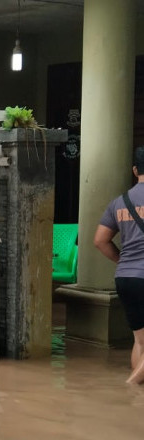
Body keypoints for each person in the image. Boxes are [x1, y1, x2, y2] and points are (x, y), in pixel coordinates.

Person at [94, 146, 144, 384]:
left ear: (135, 170)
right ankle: (131, 386)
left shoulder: (119, 202)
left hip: (126, 278)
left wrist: (123, 261)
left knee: (140, 341)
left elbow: (100, 241)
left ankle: (136, 406)